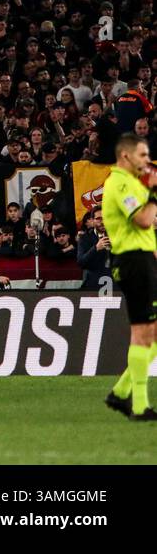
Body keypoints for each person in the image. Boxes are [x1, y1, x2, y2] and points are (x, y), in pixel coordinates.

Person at [100, 133, 157, 421]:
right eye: (143, 155)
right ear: (126, 156)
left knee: (152, 333)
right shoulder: (120, 182)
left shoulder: (132, 183)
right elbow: (144, 219)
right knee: (142, 333)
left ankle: (121, 393)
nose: (147, 161)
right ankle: (139, 405)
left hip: (142, 259)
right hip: (133, 260)